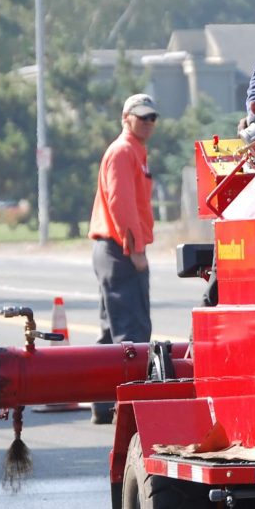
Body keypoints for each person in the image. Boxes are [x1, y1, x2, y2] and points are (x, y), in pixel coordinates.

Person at [88, 92, 158, 424]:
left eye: (152, 117)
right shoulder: (123, 151)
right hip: (120, 250)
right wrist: (136, 249)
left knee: (111, 332)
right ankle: (130, 410)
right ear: (125, 118)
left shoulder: (136, 152)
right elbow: (122, 204)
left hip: (114, 248)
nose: (147, 122)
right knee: (132, 332)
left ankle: (103, 405)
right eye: (141, 116)